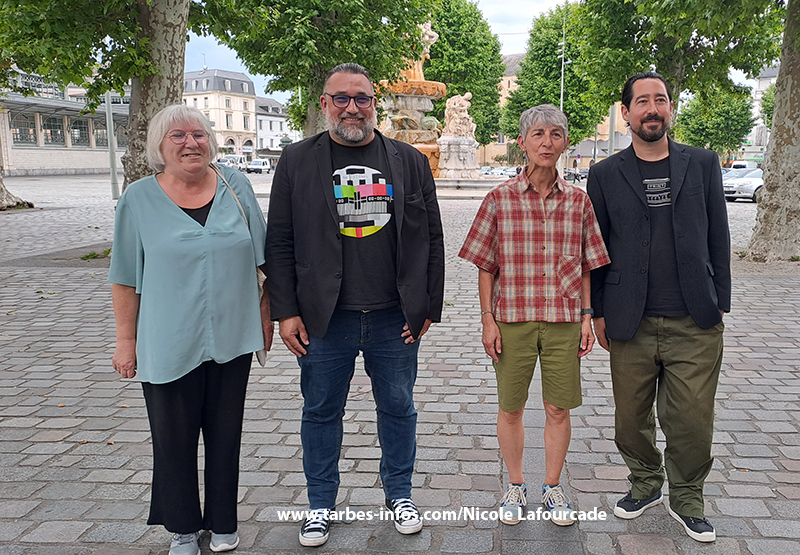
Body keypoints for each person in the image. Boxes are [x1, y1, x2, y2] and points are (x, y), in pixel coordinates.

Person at [265, 62, 445, 547]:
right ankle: (320, 504)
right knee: (321, 411)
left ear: (374, 104)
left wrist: (428, 306)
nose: (351, 107)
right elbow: (278, 240)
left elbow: (431, 235)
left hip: (393, 317)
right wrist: (285, 311)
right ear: (324, 104)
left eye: (361, 98)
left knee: (399, 407)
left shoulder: (408, 160)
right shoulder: (297, 160)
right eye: (340, 97)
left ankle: (400, 494)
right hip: (325, 318)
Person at [109, 104, 272, 555]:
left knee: (225, 433)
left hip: (232, 335)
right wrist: (126, 341)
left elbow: (265, 259)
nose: (189, 143)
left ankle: (223, 522)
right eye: (177, 136)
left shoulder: (235, 186)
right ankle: (182, 528)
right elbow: (124, 275)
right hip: (166, 338)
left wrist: (268, 314)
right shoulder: (139, 199)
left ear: (211, 142)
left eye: (198, 135)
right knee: (173, 438)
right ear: (159, 146)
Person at [587, 71, 730, 543]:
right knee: (630, 417)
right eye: (642, 101)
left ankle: (688, 496)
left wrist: (720, 301)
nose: (653, 108)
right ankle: (645, 482)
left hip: (695, 318)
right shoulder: (605, 174)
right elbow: (597, 247)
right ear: (626, 112)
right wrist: (598, 310)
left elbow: (718, 237)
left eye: (661, 100)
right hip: (630, 318)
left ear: (671, 108)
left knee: (691, 416)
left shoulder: (704, 164)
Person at [459, 104, 610, 527]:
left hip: (563, 321)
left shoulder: (579, 202)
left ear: (566, 142)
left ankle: (553, 485)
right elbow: (485, 265)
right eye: (538, 134)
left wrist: (585, 315)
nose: (548, 142)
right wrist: (488, 319)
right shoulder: (499, 199)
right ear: (522, 142)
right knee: (511, 408)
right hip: (513, 320)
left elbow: (585, 265)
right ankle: (515, 484)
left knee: (558, 409)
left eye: (556, 134)